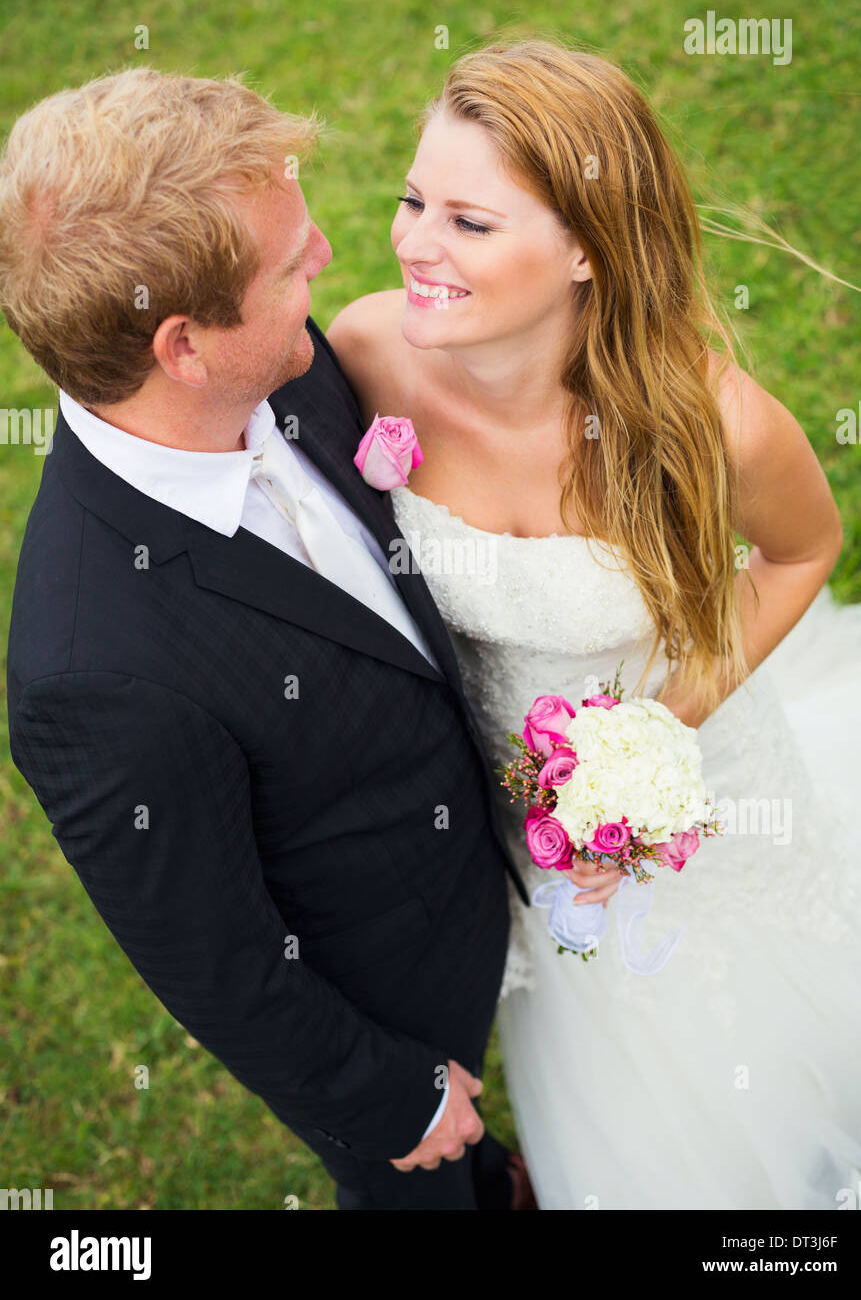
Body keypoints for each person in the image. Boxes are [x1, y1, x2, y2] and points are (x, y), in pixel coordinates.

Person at [328, 38, 861, 1210]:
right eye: (412, 199)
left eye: (468, 223)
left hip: (697, 782)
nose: (414, 244)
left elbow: (801, 550)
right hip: (509, 831)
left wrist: (652, 736)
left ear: (585, 243)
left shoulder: (710, 425)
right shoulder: (371, 354)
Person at [1, 67, 537, 1211]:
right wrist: (384, 1096)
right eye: (291, 263)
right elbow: (214, 954)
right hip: (394, 1014)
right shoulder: (92, 673)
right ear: (184, 347)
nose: (332, 260)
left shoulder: (279, 373)